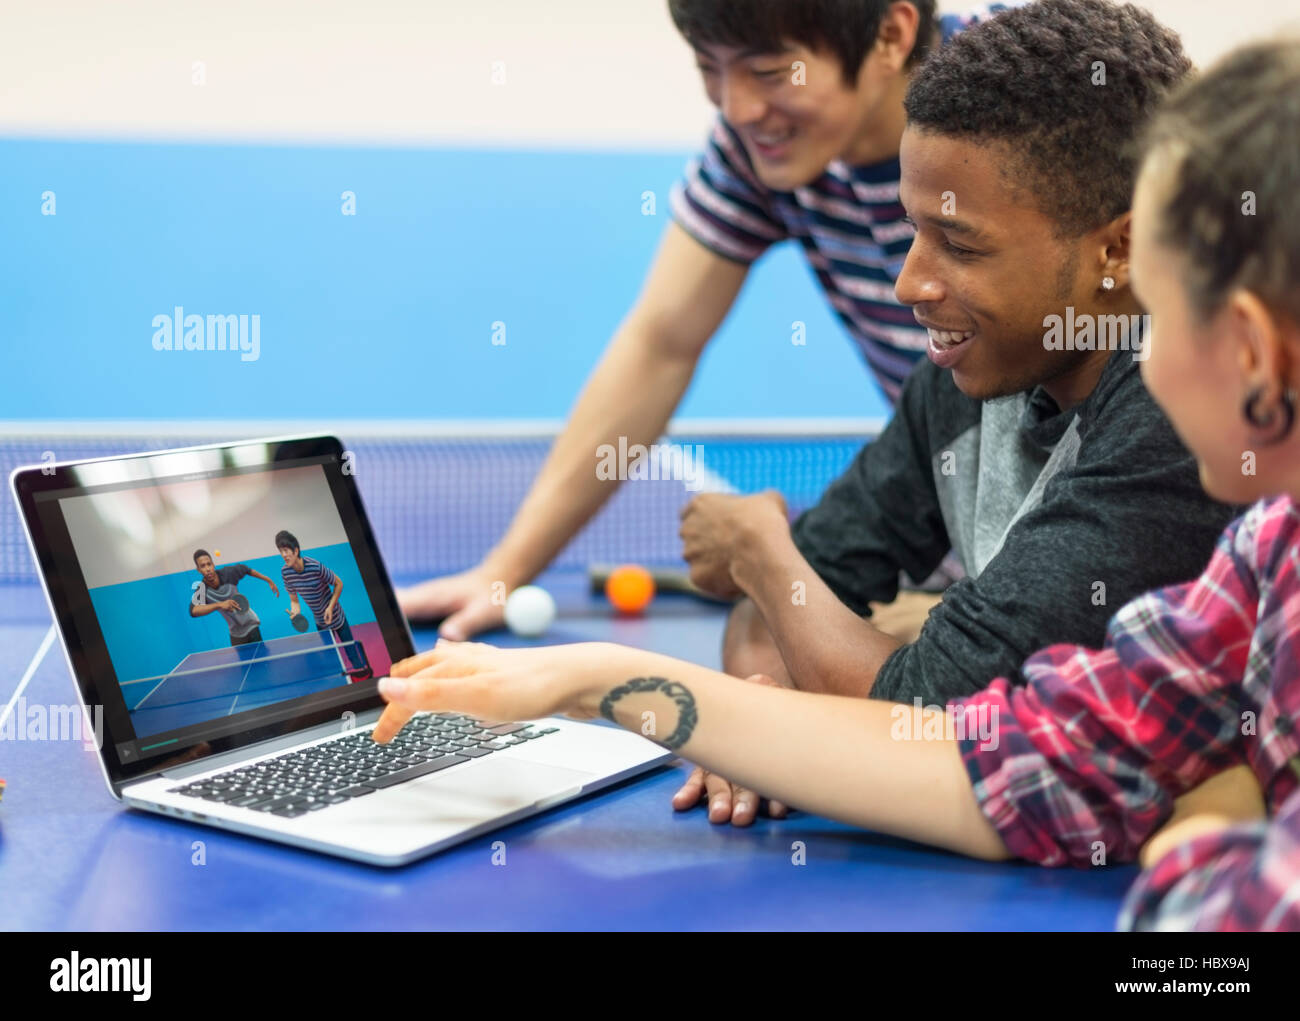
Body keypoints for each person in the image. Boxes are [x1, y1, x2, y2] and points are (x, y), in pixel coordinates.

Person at [371, 35, 1300, 932]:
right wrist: (599, 677)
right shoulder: (1262, 560)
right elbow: (1035, 758)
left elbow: (1200, 924)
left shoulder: (1168, 442)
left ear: (1249, 346)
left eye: (1166, 316)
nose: (907, 283)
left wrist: (1206, 824)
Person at [675, 0, 1236, 824]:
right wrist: (767, 718)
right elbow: (801, 599)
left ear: (1117, 251)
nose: (909, 283)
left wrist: (760, 550)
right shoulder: (964, 374)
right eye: (911, 231)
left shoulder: (1176, 422)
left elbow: (924, 715)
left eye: (960, 244)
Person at [398, 1, 1011, 639]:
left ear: (891, 33)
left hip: (1078, 550)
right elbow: (662, 343)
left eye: (771, 72)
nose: (736, 106)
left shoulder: (1030, 99)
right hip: (951, 537)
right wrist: (506, 568)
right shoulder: (761, 149)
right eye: (708, 68)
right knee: (764, 650)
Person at [275, 530, 372, 680]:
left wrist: (330, 607)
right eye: (281, 551)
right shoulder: (285, 573)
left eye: (286, 550)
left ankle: (366, 680)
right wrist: (296, 613)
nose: (283, 555)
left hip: (337, 616)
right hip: (320, 621)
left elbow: (339, 583)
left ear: (296, 550)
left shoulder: (315, 566)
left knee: (352, 654)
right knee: (332, 655)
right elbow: (294, 600)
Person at [188, 549, 279, 647]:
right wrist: (219, 605)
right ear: (198, 570)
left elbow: (245, 569)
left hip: (251, 625)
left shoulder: (228, 573)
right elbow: (193, 611)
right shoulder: (202, 589)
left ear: (213, 565)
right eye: (203, 566)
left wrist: (268, 580)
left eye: (209, 564)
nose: (207, 568)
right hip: (235, 633)